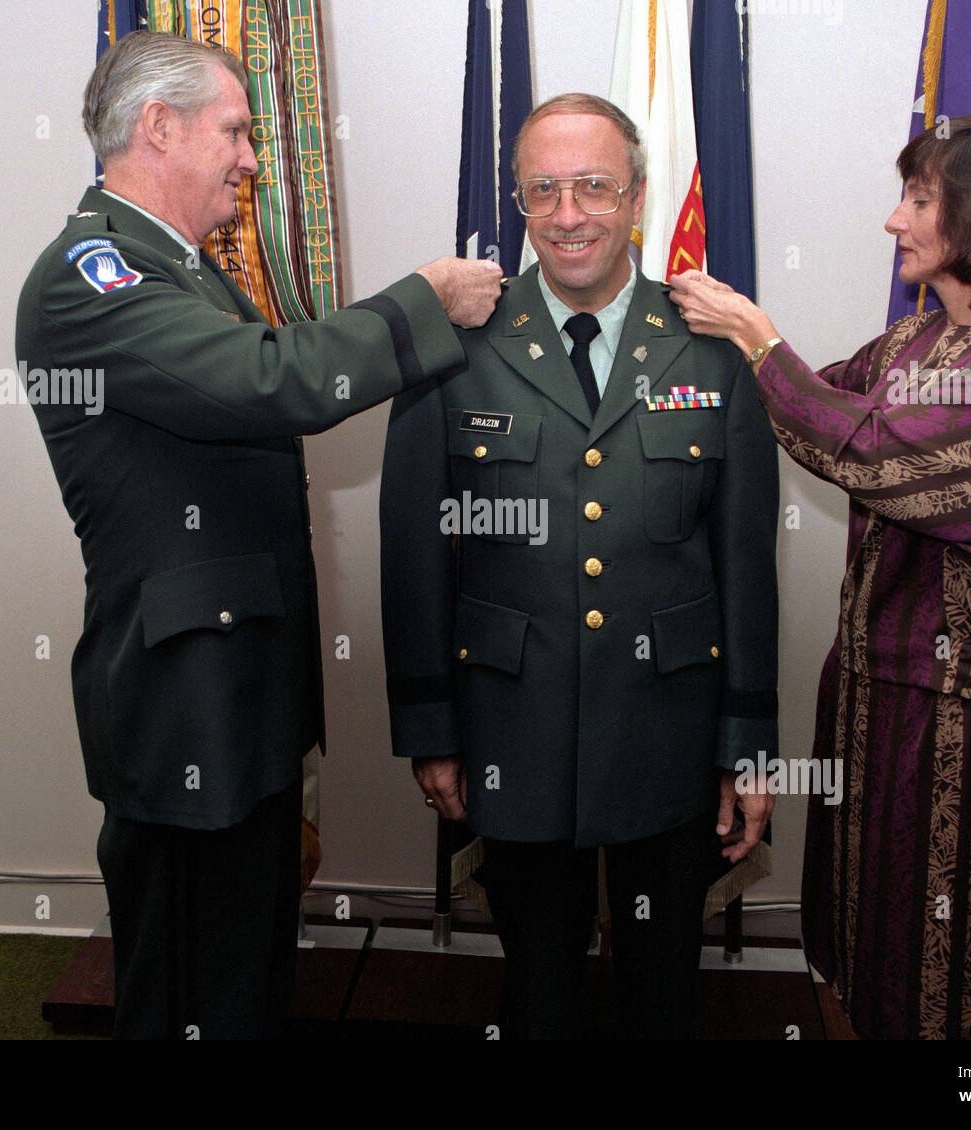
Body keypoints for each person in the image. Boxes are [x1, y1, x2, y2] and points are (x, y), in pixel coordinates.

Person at [15, 30, 500, 1039]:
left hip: (239, 689)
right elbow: (267, 379)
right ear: (159, 126)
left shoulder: (182, 269)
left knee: (243, 969)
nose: (250, 156)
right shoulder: (90, 276)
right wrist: (423, 300)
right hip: (187, 699)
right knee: (187, 977)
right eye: (235, 131)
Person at [670, 115, 971, 1040]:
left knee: (945, 973)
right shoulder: (911, 345)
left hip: (956, 712)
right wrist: (662, 374)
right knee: (864, 943)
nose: (893, 220)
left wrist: (755, 336)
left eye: (920, 198)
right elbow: (796, 403)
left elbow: (877, 453)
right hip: (864, 692)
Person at [380, 93, 778, 1039]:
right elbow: (414, 551)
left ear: (637, 197)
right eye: (543, 191)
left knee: (659, 988)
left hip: (670, 727)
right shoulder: (453, 342)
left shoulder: (715, 344)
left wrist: (750, 742)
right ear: (519, 204)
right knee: (539, 987)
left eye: (594, 187)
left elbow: (746, 565)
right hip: (510, 723)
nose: (568, 216)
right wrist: (430, 723)